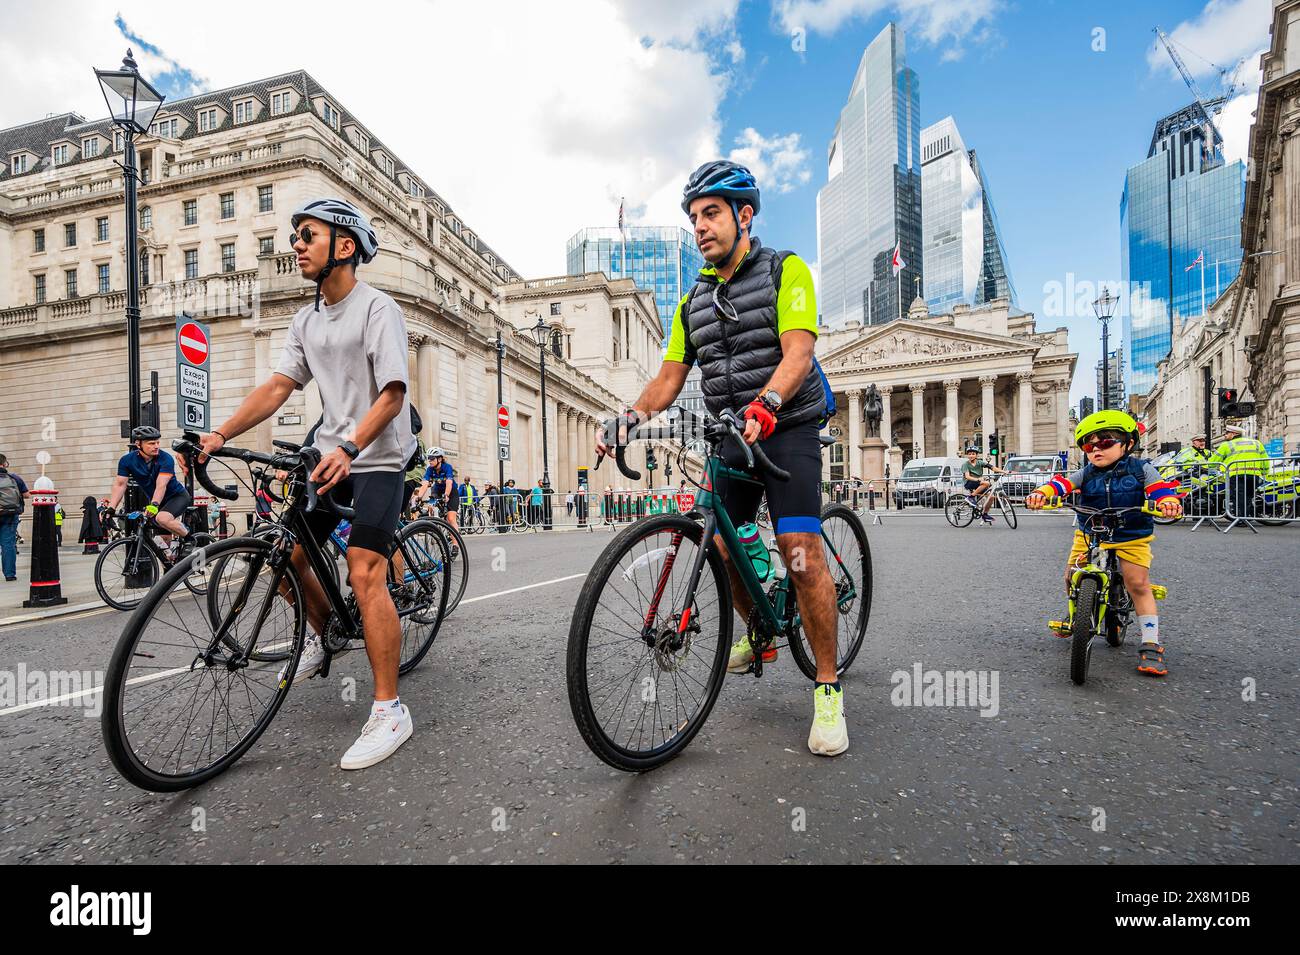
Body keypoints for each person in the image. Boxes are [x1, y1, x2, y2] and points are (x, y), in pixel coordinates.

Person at [594, 160, 847, 756]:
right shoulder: (691, 303)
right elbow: (668, 379)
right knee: (719, 540)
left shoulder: (786, 271)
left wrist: (769, 402)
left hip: (787, 423)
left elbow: (798, 352)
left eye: (711, 213)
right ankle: (759, 631)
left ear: (744, 215)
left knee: (800, 552)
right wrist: (629, 418)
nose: (700, 226)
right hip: (732, 431)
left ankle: (828, 688)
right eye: (694, 217)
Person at [197, 196, 415, 771]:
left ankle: (390, 710)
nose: (295, 244)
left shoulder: (378, 309)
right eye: (295, 235)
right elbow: (277, 387)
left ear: (344, 245)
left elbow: (392, 395)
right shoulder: (306, 320)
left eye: (307, 235)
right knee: (287, 555)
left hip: (378, 456)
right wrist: (218, 434)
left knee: (364, 570)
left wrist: (350, 447)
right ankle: (325, 632)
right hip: (331, 453)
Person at [1026, 410, 1182, 677]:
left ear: (1128, 444)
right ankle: (1076, 613)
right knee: (1071, 574)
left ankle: (1151, 643)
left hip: (1131, 534)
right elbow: (1061, 484)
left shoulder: (1142, 469)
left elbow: (1160, 489)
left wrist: (1168, 501)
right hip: (1092, 532)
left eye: (1106, 443)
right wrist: (1041, 493)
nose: (1096, 449)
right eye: (1089, 446)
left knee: (1137, 584)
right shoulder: (1085, 473)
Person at [104, 426, 193, 557]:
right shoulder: (127, 460)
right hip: (157, 501)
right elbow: (120, 484)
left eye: (157, 442)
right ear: (138, 444)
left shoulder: (166, 458)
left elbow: (161, 485)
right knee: (163, 547)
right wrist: (111, 508)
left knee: (162, 518)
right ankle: (171, 566)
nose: (156, 446)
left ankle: (189, 538)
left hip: (177, 497)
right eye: (151, 443)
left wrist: (154, 505)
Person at [1212, 423, 1268, 520]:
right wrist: (1264, 472)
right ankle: (1246, 517)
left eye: (1227, 433)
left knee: (1238, 498)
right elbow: (1265, 461)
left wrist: (1204, 465)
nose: (1225, 435)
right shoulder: (1257, 443)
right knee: (1248, 497)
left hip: (1236, 476)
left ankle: (1241, 520)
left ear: (1233, 434)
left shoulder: (1227, 445)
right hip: (1253, 475)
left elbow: (1213, 462)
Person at [0, 453, 30, 581]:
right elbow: (27, 495)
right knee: (8, 545)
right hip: (10, 515)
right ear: (5, 464)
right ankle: (9, 574)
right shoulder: (14, 478)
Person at [961, 447, 1007, 525]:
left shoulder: (980, 463)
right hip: (969, 482)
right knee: (986, 483)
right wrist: (978, 479)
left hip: (979, 483)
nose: (971, 456)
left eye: (973, 454)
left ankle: (985, 514)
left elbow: (992, 468)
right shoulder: (965, 464)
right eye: (969, 454)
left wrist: (1003, 471)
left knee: (991, 497)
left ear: (976, 455)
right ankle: (970, 497)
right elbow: (967, 476)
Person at [416, 448, 459, 530]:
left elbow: (449, 482)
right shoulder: (430, 469)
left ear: (439, 459)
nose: (429, 460)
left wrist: (446, 494)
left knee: (450, 519)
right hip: (437, 490)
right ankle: (434, 528)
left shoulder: (447, 467)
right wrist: (419, 497)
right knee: (431, 506)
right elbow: (425, 484)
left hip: (451, 492)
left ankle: (455, 538)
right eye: (428, 458)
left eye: (432, 458)